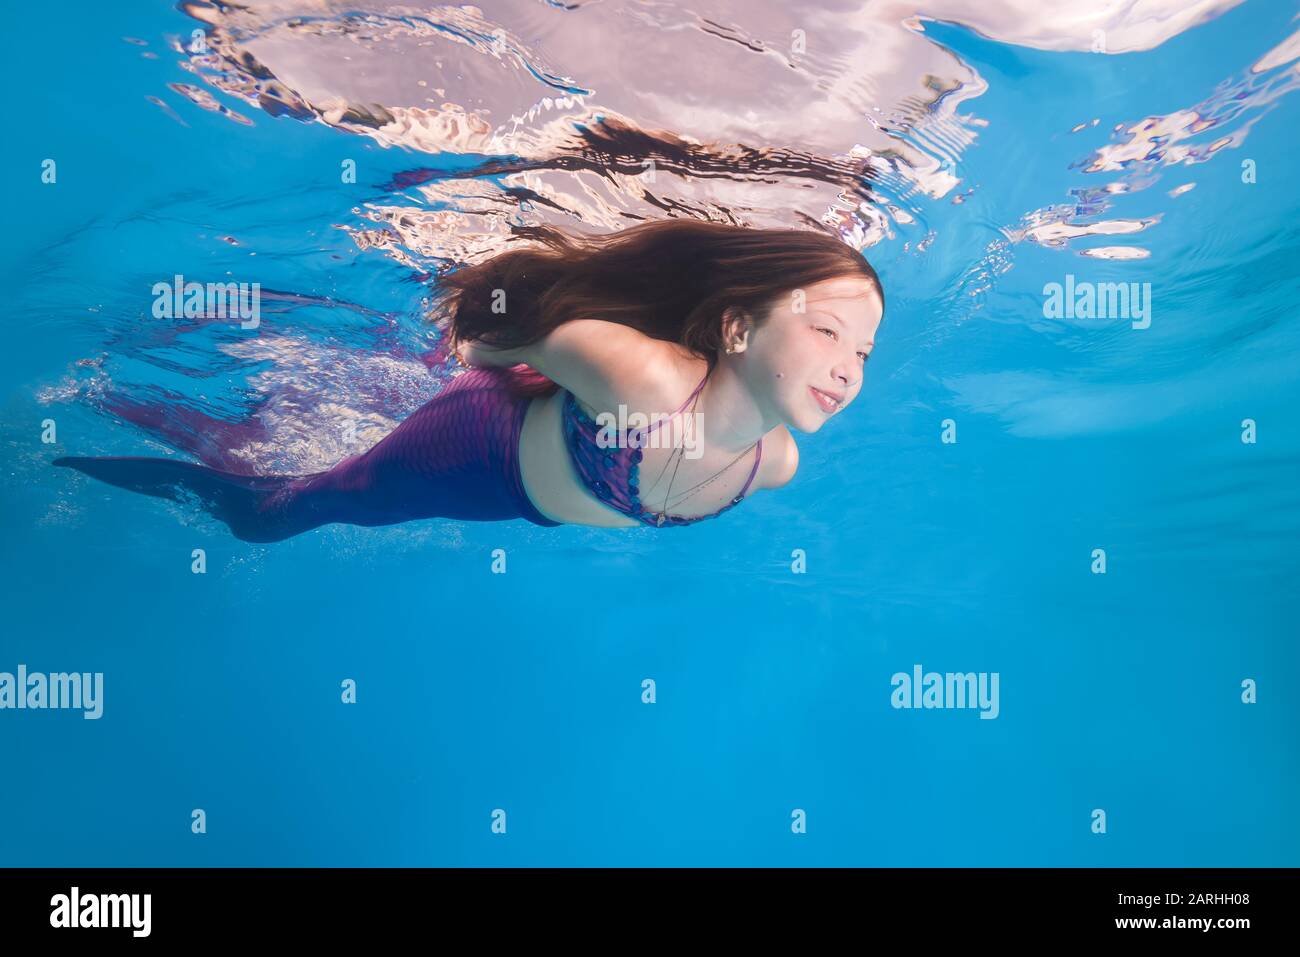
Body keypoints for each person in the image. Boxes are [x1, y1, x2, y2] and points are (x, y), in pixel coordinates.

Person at [55, 219, 885, 541]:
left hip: (528, 499)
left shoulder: (773, 462)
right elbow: (509, 329)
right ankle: (103, 400)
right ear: (738, 327)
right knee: (277, 513)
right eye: (827, 331)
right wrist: (471, 359)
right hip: (476, 442)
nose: (848, 367)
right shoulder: (642, 379)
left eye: (864, 352)